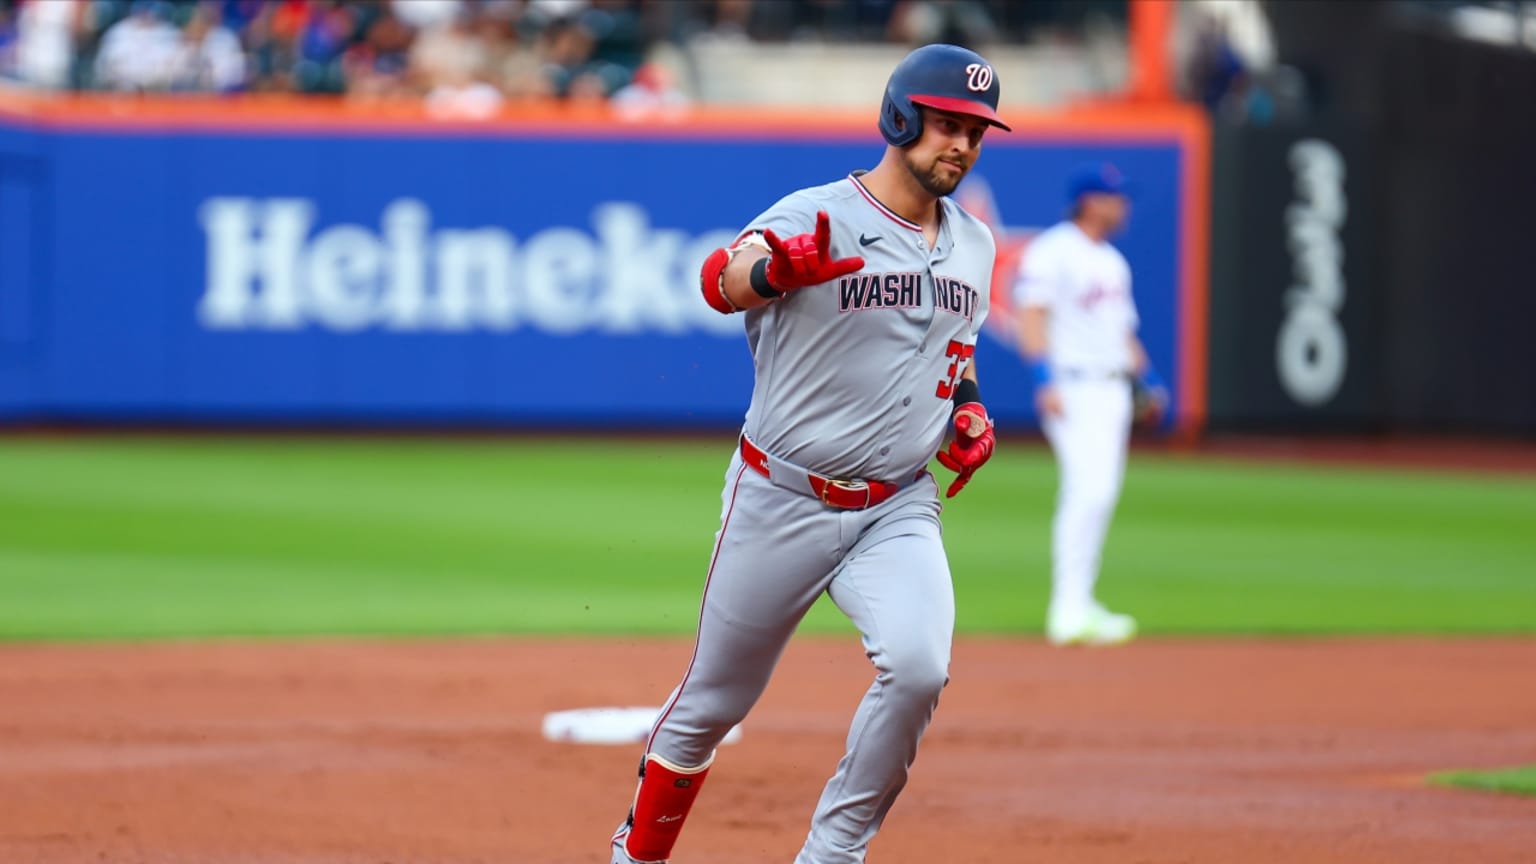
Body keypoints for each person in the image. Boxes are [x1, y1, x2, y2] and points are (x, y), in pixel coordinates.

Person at [608, 43, 1009, 864]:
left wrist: (968, 416)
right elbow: (721, 279)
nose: (962, 145)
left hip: (896, 504)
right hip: (780, 497)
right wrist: (775, 273)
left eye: (976, 131)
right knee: (712, 702)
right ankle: (636, 855)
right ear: (900, 118)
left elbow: (956, 355)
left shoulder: (976, 245)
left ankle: (833, 854)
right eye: (946, 124)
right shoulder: (819, 212)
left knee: (920, 668)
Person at [1013, 162, 1168, 646]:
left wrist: (1149, 379)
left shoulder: (1112, 262)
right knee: (1089, 491)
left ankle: (1079, 602)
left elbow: (1122, 332)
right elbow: (1031, 314)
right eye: (1114, 196)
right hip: (1073, 385)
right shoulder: (1054, 250)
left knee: (1100, 494)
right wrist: (1045, 378)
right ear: (1090, 201)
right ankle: (1067, 608)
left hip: (1113, 388)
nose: (1123, 205)